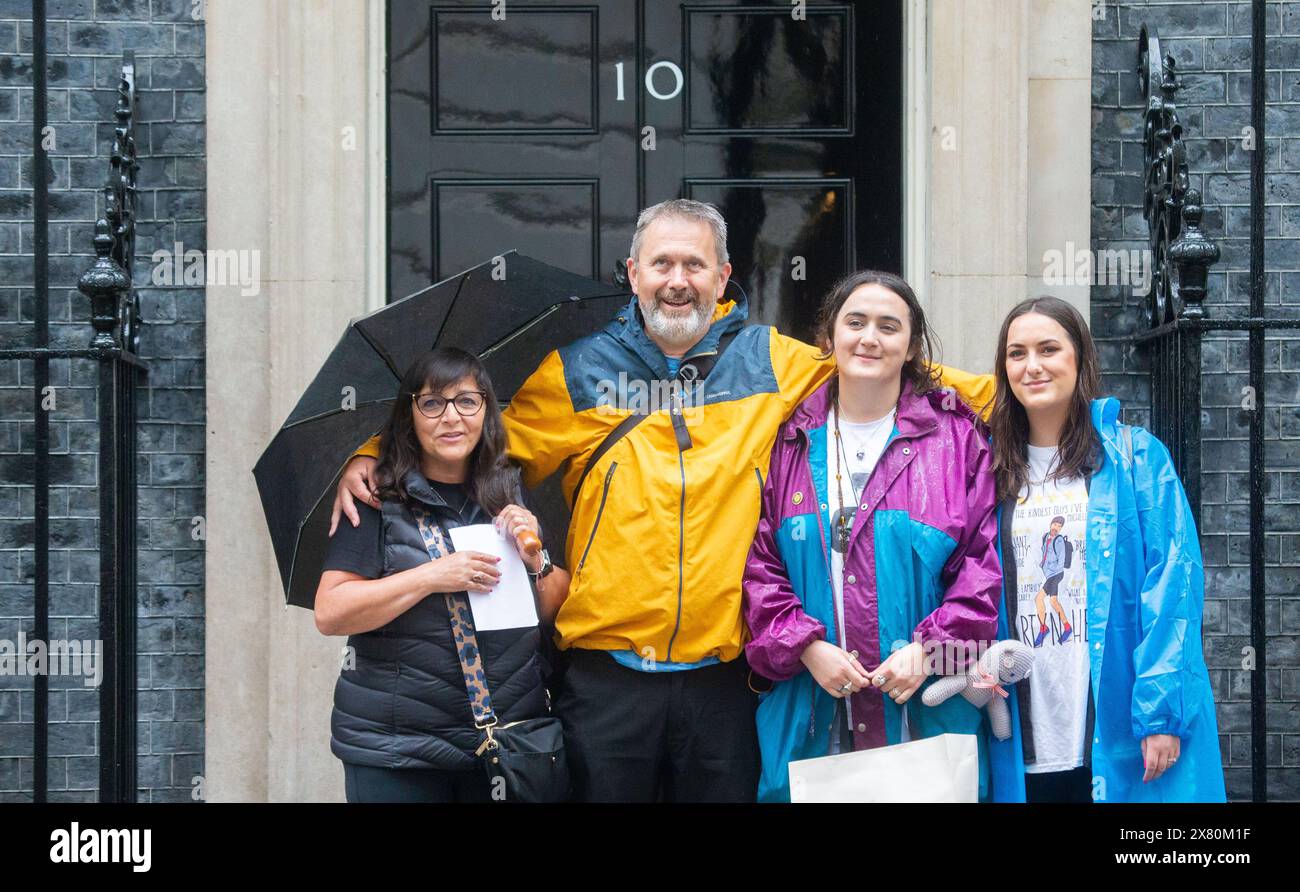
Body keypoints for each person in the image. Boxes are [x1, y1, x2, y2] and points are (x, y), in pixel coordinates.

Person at [330, 200, 992, 802]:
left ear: (723, 273)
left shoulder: (772, 362)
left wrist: (1033, 395)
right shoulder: (578, 370)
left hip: (725, 682)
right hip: (605, 682)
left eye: (695, 264)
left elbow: (887, 370)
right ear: (633, 273)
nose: (679, 279)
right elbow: (475, 438)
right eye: (662, 263)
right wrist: (368, 449)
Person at [742, 270, 1024, 803]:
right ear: (829, 336)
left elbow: (982, 564)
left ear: (912, 344)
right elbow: (761, 565)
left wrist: (930, 648)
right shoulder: (790, 439)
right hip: (813, 717)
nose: (869, 337)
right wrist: (805, 646)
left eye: (888, 326)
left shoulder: (957, 440)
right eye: (855, 322)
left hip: (923, 715)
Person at [988, 296, 1225, 802]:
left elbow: (1173, 587)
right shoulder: (986, 467)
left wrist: (1159, 713)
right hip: (1019, 717)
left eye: (1049, 349)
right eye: (1017, 353)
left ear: (1080, 359)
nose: (1032, 366)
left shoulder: (1135, 457)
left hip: (1114, 712)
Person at [315, 347, 570, 803]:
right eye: (432, 403)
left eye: (466, 401)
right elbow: (331, 612)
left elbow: (555, 609)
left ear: (487, 411)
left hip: (503, 743)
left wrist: (537, 559)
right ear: (410, 415)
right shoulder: (376, 498)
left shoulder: (511, 493)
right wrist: (431, 576)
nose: (451, 417)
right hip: (397, 751)